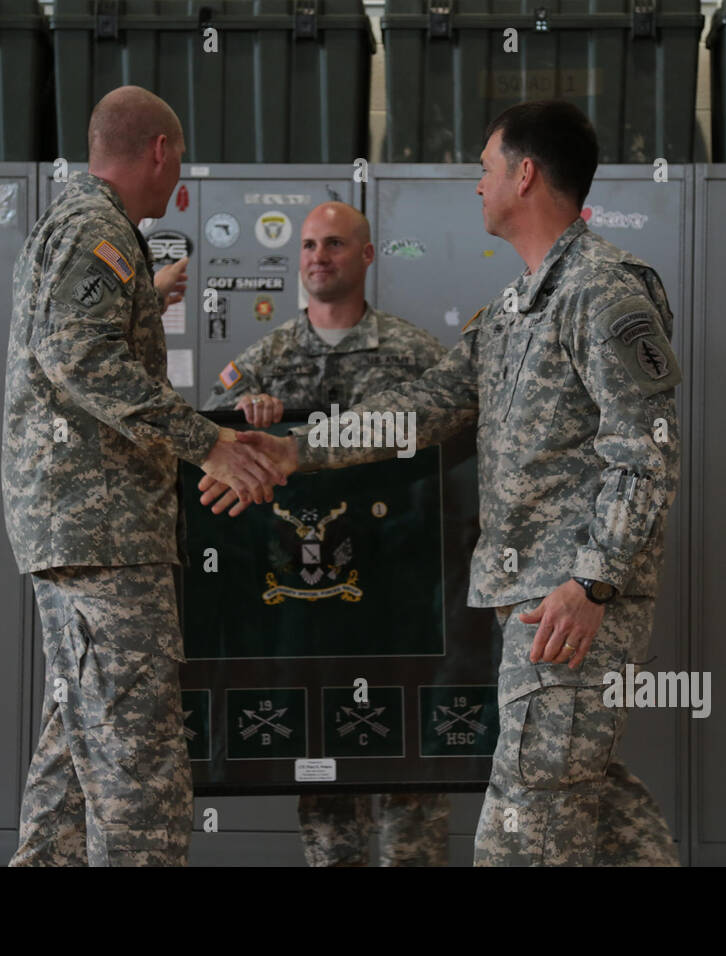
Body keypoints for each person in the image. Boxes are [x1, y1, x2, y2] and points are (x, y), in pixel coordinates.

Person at [203, 100, 683, 866]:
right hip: (524, 602)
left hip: (565, 608)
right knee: (590, 796)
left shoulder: (605, 291)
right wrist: (298, 451)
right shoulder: (509, 313)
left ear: (525, 175)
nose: (478, 185)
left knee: (521, 829)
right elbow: (420, 413)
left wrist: (591, 585)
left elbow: (648, 455)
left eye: (486, 168)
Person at [1, 85, 286, 867]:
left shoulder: (71, 225)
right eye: (180, 158)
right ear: (160, 151)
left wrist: (140, 299)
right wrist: (210, 444)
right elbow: (79, 355)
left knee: (76, 763)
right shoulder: (102, 230)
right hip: (105, 537)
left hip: (79, 533)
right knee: (140, 779)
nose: (179, 175)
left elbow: (68, 341)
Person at [202, 201, 454, 866]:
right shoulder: (268, 359)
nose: (318, 256)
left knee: (408, 761)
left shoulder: (414, 353)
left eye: (335, 244)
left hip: (402, 591)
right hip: (306, 594)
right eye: (310, 245)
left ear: (367, 256)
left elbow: (455, 439)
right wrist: (242, 413)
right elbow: (209, 447)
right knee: (322, 758)